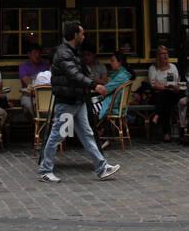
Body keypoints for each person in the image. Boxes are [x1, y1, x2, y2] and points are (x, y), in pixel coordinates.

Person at [38, 21, 119, 182]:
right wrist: (94, 85)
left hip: (77, 99)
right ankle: (45, 170)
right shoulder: (64, 53)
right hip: (67, 101)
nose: (83, 36)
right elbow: (74, 74)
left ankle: (102, 167)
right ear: (75, 35)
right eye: (81, 33)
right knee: (57, 135)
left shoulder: (71, 52)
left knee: (87, 134)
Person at [148, 44, 181, 142]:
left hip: (171, 94)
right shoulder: (153, 68)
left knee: (166, 95)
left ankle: (157, 115)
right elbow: (154, 85)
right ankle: (166, 133)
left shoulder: (172, 68)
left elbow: (173, 84)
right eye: (162, 53)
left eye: (166, 53)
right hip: (158, 95)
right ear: (158, 56)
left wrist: (163, 86)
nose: (165, 55)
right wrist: (166, 87)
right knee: (165, 98)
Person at [19, 43, 49, 116]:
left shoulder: (46, 66)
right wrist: (41, 80)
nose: (37, 55)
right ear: (29, 54)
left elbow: (49, 81)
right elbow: (27, 81)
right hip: (29, 96)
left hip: (44, 96)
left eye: (39, 53)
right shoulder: (23, 66)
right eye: (35, 53)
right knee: (31, 107)